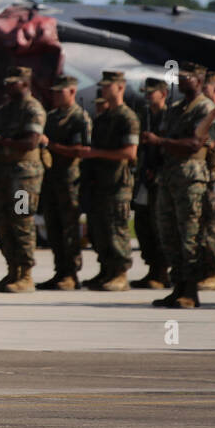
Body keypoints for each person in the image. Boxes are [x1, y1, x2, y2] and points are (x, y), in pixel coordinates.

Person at [146, 63, 213, 308]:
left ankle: (191, 291)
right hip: (170, 176)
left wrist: (160, 141)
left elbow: (195, 143)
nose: (180, 82)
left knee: (190, 235)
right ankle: (178, 286)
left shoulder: (205, 108)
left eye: (186, 78)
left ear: (199, 80)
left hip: (191, 178)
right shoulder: (175, 109)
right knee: (169, 234)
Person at [0, 66, 45, 293]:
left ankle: (26, 274)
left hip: (24, 179)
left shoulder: (33, 108)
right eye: (8, 82)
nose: (9, 87)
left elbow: (30, 142)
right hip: (3, 177)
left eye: (14, 83)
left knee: (21, 223)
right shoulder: (5, 110)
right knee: (2, 224)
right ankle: (13, 270)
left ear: (26, 84)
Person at [78, 71, 139, 291]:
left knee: (116, 229)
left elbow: (130, 153)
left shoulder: (127, 117)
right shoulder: (103, 118)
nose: (103, 90)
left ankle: (120, 273)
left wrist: (95, 154)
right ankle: (106, 270)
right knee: (100, 228)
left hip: (117, 185)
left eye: (108, 86)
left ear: (120, 87)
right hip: (100, 183)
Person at [37, 75, 91, 290]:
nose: (56, 95)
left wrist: (51, 145)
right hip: (51, 179)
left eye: (61, 91)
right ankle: (60, 270)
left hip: (70, 180)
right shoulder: (51, 117)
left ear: (72, 92)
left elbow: (80, 150)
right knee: (53, 227)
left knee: (70, 229)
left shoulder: (79, 118)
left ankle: (71, 274)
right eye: (55, 91)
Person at [131, 78, 170, 288]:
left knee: (158, 226)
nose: (147, 96)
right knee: (143, 224)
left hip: (162, 179)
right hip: (145, 178)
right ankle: (152, 268)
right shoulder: (145, 116)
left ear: (163, 93)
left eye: (151, 93)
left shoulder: (169, 117)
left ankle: (162, 271)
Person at [198, 70, 215, 289]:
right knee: (206, 225)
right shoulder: (213, 115)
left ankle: (213, 272)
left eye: (205, 87)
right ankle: (208, 270)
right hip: (208, 176)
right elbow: (200, 134)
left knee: (214, 224)